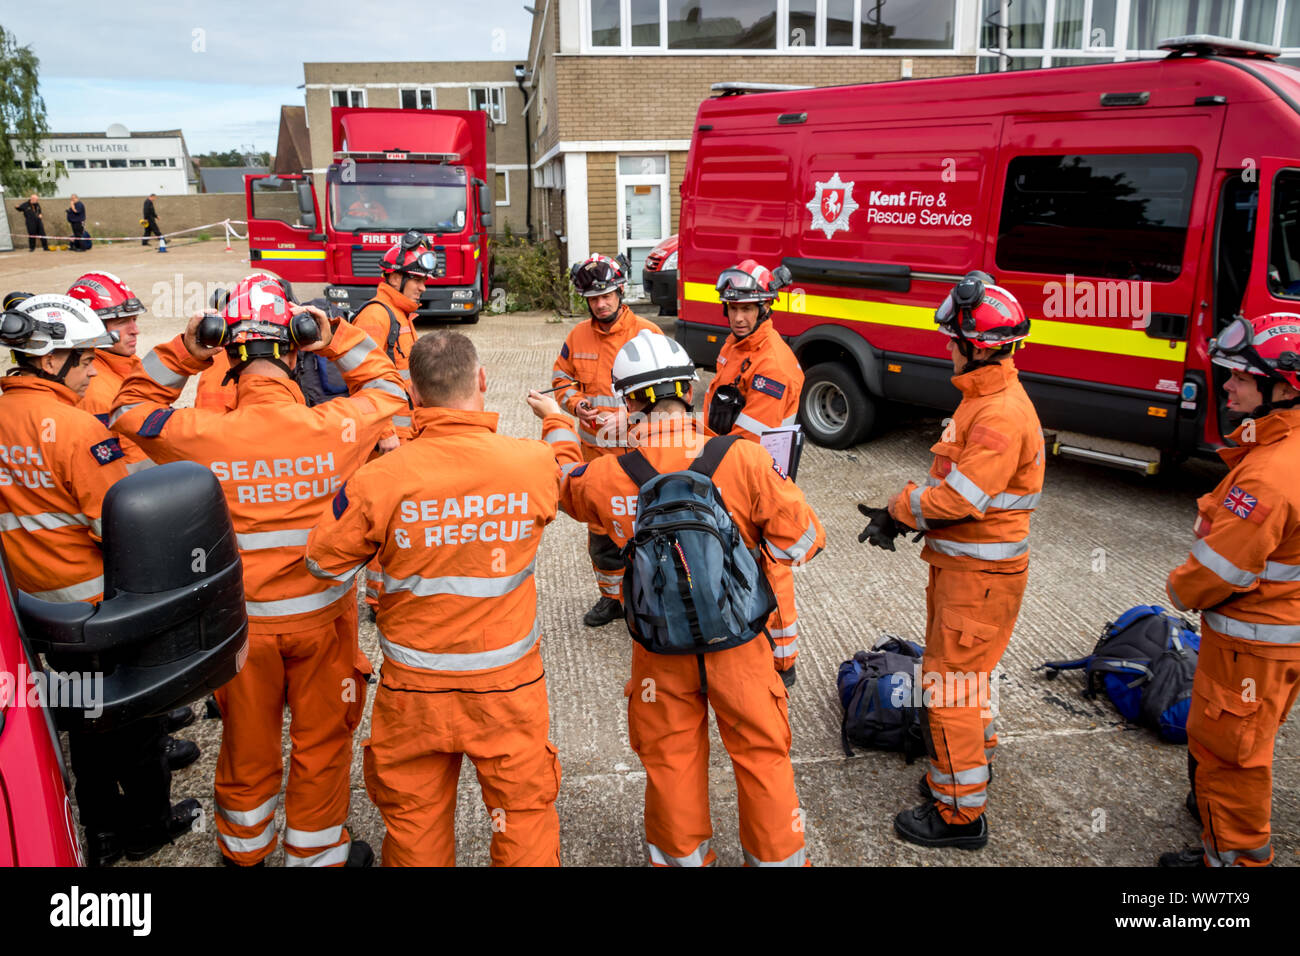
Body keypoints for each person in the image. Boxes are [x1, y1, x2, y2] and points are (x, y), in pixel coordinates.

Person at [111, 280, 408, 867]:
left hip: (240, 631)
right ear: (295, 350)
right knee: (321, 743)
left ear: (228, 355)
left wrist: (186, 349)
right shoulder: (334, 428)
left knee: (247, 746)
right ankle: (316, 855)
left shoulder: (200, 434)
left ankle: (244, 854)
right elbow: (391, 389)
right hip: (323, 621)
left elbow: (126, 408)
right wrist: (335, 335)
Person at [531, 329, 825, 867]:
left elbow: (561, 480)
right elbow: (804, 540)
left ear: (627, 402)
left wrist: (555, 419)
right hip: (738, 641)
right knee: (762, 758)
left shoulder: (607, 477)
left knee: (671, 762)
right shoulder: (742, 458)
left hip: (659, 648)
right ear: (689, 391)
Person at [307, 330, 574, 866]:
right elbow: (566, 473)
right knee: (521, 816)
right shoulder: (529, 464)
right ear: (481, 381)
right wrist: (558, 421)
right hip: (506, 690)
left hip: (414, 693)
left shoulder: (380, 480)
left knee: (414, 822)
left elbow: (321, 561)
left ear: (414, 393)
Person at [0, 293, 199, 866]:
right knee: (135, 728)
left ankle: (100, 831)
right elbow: (121, 525)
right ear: (49, 360)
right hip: (99, 610)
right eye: (84, 357)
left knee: (84, 727)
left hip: (37, 610)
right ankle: (147, 828)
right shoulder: (76, 429)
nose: (94, 367)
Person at [859, 272, 1042, 851]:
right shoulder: (986, 401)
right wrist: (913, 513)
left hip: (978, 581)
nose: (947, 347)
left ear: (977, 347)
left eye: (953, 339)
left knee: (951, 691)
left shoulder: (997, 415)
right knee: (963, 680)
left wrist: (899, 506)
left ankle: (960, 816)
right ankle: (961, 771)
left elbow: (960, 498)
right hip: (969, 574)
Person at [1160, 312, 1300, 868]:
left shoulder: (1269, 474)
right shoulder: (1280, 451)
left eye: (1242, 377)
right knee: (1243, 745)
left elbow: (1217, 573)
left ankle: (1236, 872)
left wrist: (1180, 588)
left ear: (1284, 387)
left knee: (1233, 757)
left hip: (1253, 643)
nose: (1227, 385)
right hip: (1274, 638)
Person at [702, 260, 804, 684]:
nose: (739, 317)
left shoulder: (773, 366)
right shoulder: (735, 346)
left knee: (768, 563)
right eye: (733, 308)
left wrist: (699, 462)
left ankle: (783, 661)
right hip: (732, 466)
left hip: (755, 477)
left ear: (766, 307)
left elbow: (747, 438)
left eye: (748, 308)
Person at [551, 253, 664, 628]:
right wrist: (575, 403)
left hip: (641, 460)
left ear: (620, 291)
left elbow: (669, 398)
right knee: (601, 536)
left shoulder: (647, 335)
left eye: (608, 295)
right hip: (597, 459)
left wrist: (631, 417)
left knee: (646, 533)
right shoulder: (577, 336)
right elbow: (562, 378)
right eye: (593, 298)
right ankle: (611, 599)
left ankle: (649, 601)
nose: (601, 304)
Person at [350, 232, 429, 619]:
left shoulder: (401, 317)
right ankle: (379, 600)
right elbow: (360, 379)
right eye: (416, 278)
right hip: (388, 442)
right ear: (394, 277)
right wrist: (384, 437)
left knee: (404, 517)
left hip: (406, 436)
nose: (422, 286)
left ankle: (396, 589)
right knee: (386, 517)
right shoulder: (377, 316)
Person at [70, 272, 152, 474]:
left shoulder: (126, 365)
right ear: (92, 328)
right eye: (122, 322)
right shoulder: (93, 389)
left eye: (134, 319)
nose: (135, 330)